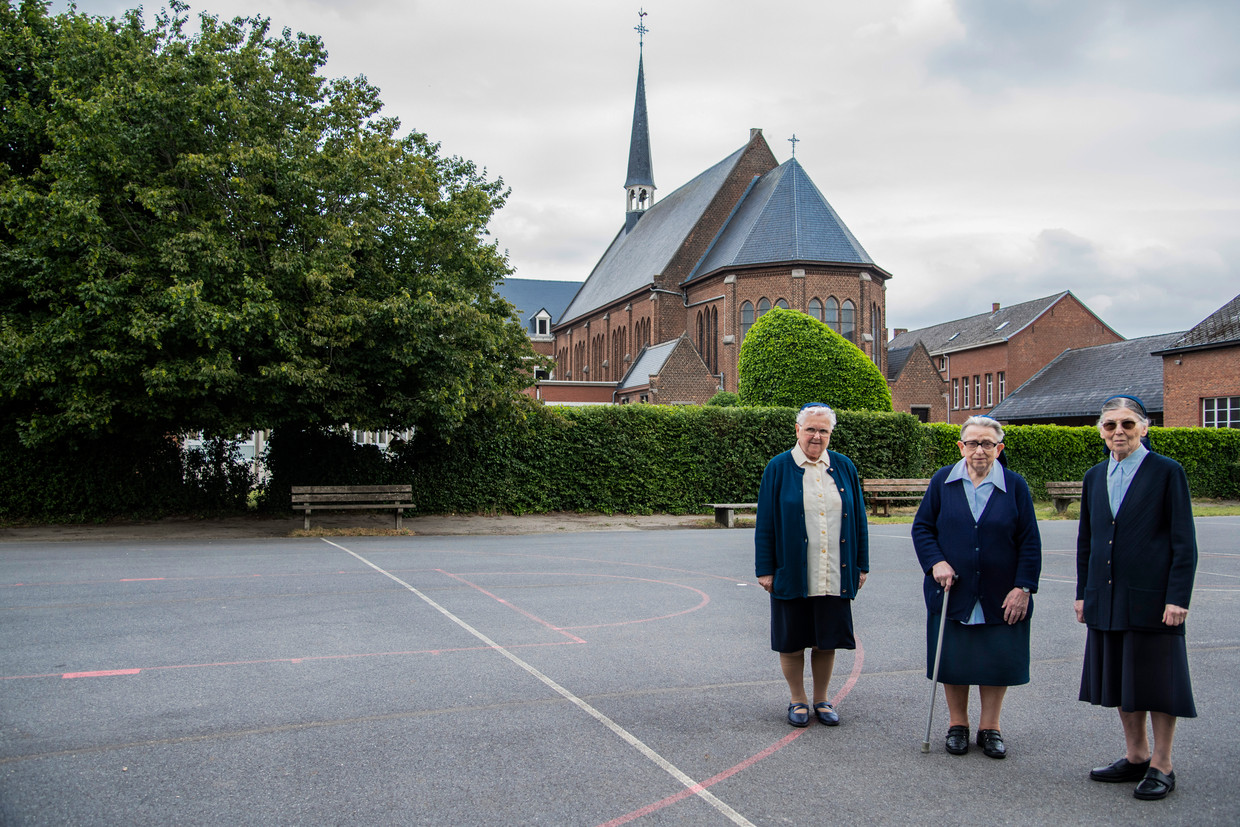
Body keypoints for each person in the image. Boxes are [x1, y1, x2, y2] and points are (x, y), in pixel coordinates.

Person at [1076, 395, 1197, 801]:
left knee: (1158, 684)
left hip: (1155, 600)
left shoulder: (1166, 472)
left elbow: (1184, 542)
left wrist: (1177, 597)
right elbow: (1087, 541)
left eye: (1128, 424)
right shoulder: (1094, 476)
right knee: (1121, 681)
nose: (1119, 432)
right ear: (1100, 431)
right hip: (1107, 597)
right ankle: (1136, 755)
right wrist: (1083, 594)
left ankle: (1162, 764)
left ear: (1144, 428)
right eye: (1110, 425)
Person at [912, 415, 1041, 758]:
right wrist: (936, 562)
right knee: (954, 659)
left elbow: (1029, 541)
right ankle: (958, 725)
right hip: (953, 590)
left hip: (1001, 592)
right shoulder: (943, 482)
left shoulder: (1015, 486)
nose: (979, 450)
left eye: (987, 444)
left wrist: (1023, 587)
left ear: (999, 448)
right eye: (972, 443)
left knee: (995, 659)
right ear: (961, 447)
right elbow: (923, 529)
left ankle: (990, 728)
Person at [755, 403, 869, 727]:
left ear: (830, 434)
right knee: (792, 640)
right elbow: (765, 523)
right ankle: (797, 699)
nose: (816, 436)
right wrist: (765, 569)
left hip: (833, 570)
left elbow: (858, 519)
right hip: (792, 570)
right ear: (797, 430)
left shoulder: (844, 467)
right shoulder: (778, 468)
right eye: (810, 429)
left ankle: (821, 698)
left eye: (823, 431)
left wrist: (861, 565)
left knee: (825, 638)